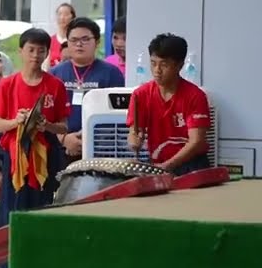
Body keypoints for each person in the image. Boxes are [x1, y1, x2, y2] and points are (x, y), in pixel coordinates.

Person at [0, 27, 69, 268]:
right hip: (15, 156)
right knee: (10, 214)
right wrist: (17, 121)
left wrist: (46, 125)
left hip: (45, 158)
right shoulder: (8, 84)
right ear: (21, 51)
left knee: (42, 212)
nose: (36, 55)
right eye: (31, 49)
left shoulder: (55, 85)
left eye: (41, 50)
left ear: (48, 52)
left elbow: (64, 127)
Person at [126, 33, 211, 175]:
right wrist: (134, 140)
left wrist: (167, 166)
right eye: (153, 63)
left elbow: (197, 142)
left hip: (191, 165)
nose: (157, 70)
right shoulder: (140, 95)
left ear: (179, 65)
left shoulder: (195, 96)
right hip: (158, 163)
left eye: (164, 64)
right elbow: (134, 132)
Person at [49, 16, 124, 165]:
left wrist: (89, 138)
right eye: (74, 40)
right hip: (61, 149)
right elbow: (49, 114)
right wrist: (64, 139)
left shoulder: (112, 73)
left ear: (96, 42)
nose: (79, 44)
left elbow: (118, 115)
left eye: (85, 39)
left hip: (101, 149)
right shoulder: (54, 74)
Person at [47, 2, 75, 68]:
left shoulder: (75, 41)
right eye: (59, 14)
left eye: (66, 14)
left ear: (72, 17)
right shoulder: (50, 41)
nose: (62, 17)